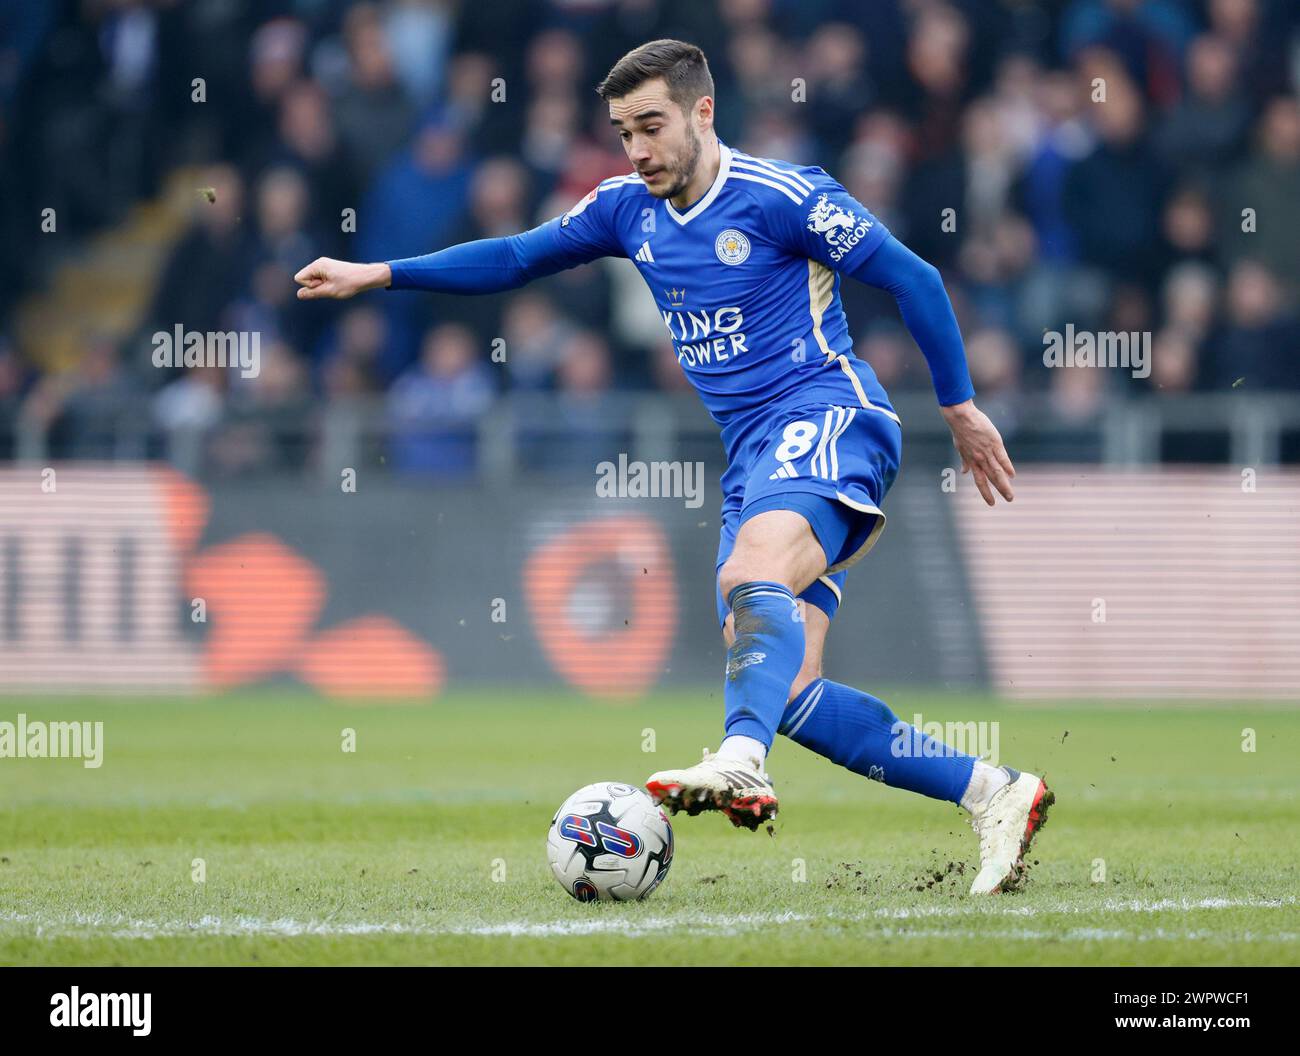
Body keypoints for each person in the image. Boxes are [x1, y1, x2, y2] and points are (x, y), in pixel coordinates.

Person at [294, 39, 1051, 895]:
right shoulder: (626, 209)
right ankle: (993, 790)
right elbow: (514, 257)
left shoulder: (784, 196)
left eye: (651, 125)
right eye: (623, 132)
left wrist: (958, 405)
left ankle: (739, 759)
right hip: (752, 456)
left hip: (830, 417)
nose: (638, 150)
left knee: (749, 578)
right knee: (790, 686)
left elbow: (914, 278)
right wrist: (379, 272)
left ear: (703, 112)